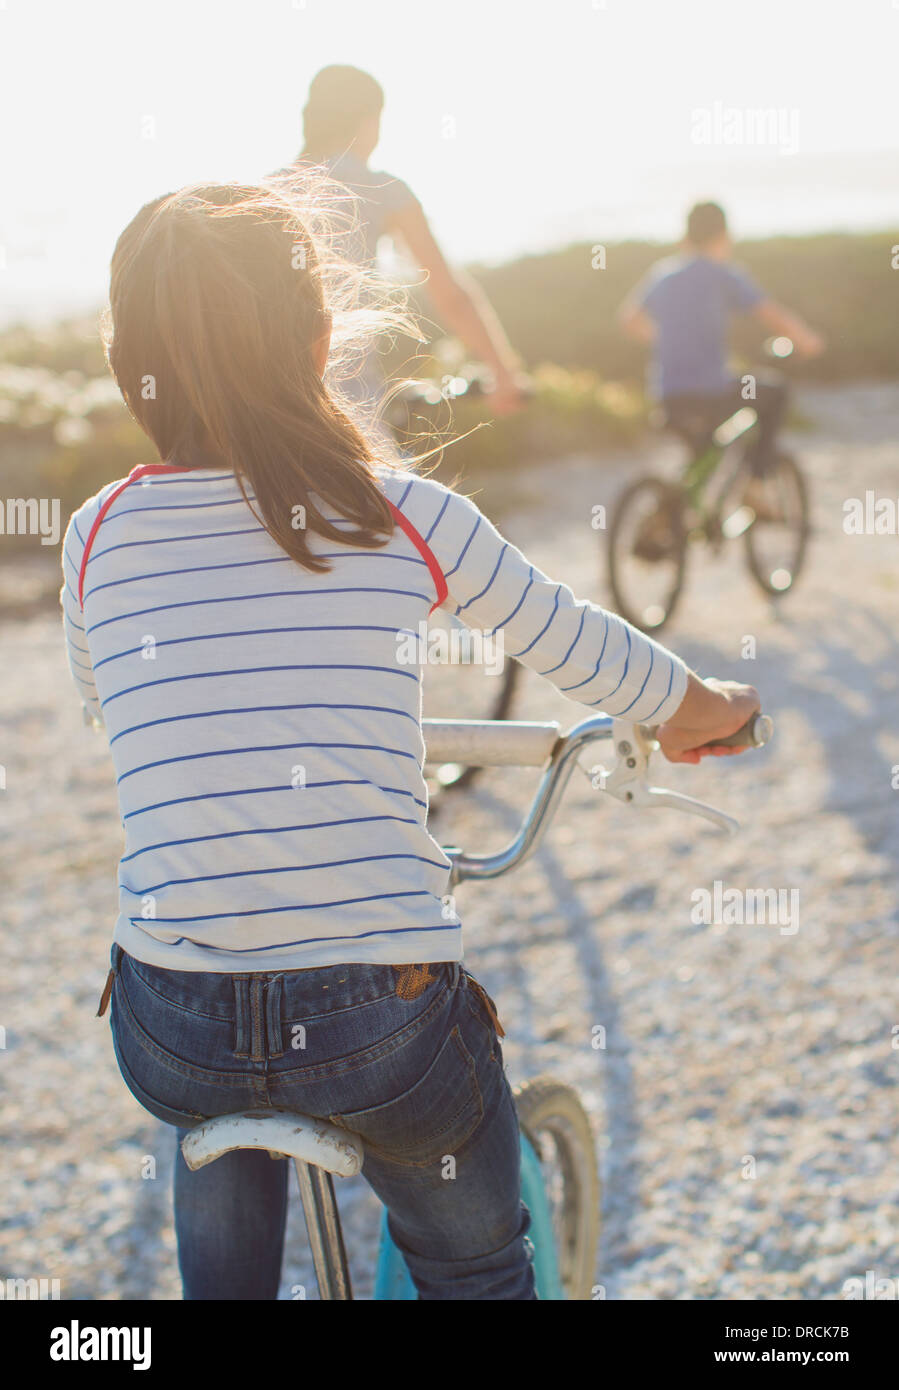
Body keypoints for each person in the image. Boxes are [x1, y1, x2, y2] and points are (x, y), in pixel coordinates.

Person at [62, 180, 760, 1300]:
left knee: (215, 1098)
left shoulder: (95, 533)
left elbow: (117, 703)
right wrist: (709, 708)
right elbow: (594, 653)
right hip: (370, 1025)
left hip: (168, 1020)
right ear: (319, 339)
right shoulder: (402, 514)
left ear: (126, 353)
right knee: (475, 1265)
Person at [272, 64, 527, 423]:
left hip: (264, 412)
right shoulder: (380, 189)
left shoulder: (265, 193)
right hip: (346, 408)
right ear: (367, 122)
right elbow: (449, 294)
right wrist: (503, 372)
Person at [619, 201, 824, 481]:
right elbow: (771, 314)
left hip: (667, 394)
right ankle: (758, 482)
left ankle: (682, 511)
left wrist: (668, 341)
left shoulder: (664, 275)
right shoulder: (724, 274)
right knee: (774, 392)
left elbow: (629, 319)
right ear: (723, 236)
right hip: (711, 392)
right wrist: (806, 340)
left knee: (703, 460)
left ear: (687, 237)